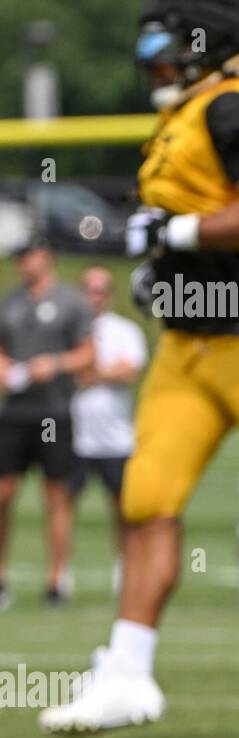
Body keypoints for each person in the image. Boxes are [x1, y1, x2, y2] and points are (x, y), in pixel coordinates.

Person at [40, 0, 239, 732]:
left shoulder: (237, 105)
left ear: (209, 52)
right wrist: (163, 266)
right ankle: (128, 672)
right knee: (145, 498)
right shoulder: (183, 116)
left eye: (169, 56)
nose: (156, 70)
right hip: (185, 349)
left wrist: (175, 230)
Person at [0, 240, 95, 609]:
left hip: (54, 411)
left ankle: (57, 578)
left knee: (56, 495)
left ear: (46, 257)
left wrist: (53, 365)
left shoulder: (71, 301)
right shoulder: (10, 301)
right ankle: (2, 577)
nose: (25, 264)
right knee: (4, 493)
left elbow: (87, 353)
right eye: (20, 259)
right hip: (15, 412)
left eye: (30, 256)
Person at [69, 268, 148, 577]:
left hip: (115, 437)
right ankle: (61, 573)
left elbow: (130, 371)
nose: (94, 296)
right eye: (88, 289)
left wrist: (93, 373)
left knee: (123, 506)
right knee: (62, 503)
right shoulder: (68, 325)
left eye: (100, 290)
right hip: (72, 433)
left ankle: (123, 567)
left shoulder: (124, 330)